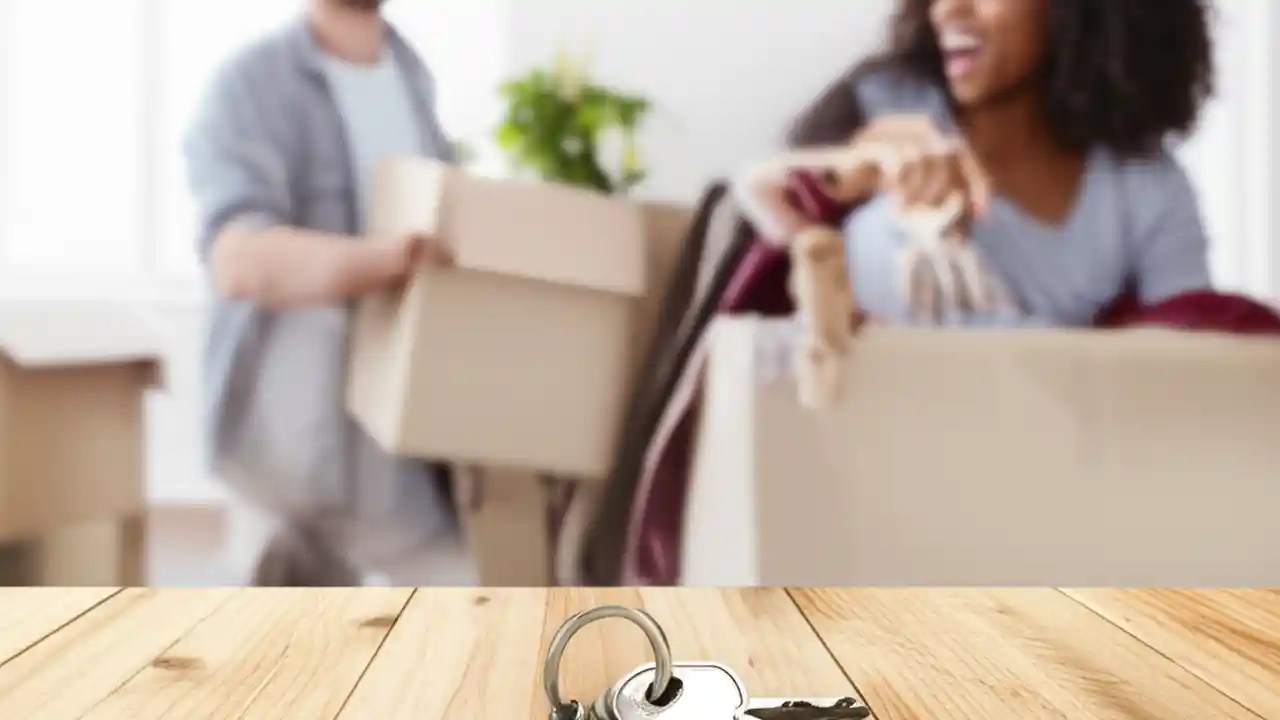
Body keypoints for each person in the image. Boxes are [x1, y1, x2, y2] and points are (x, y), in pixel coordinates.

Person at [185, 0, 475, 585]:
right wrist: (384, 261)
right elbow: (240, 261)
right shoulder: (251, 84)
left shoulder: (412, 79)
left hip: (394, 456)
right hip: (289, 451)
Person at [734, 0, 1215, 327]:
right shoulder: (886, 102)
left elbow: (1191, 369)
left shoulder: (1145, 184)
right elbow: (760, 211)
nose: (948, 9)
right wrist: (839, 174)